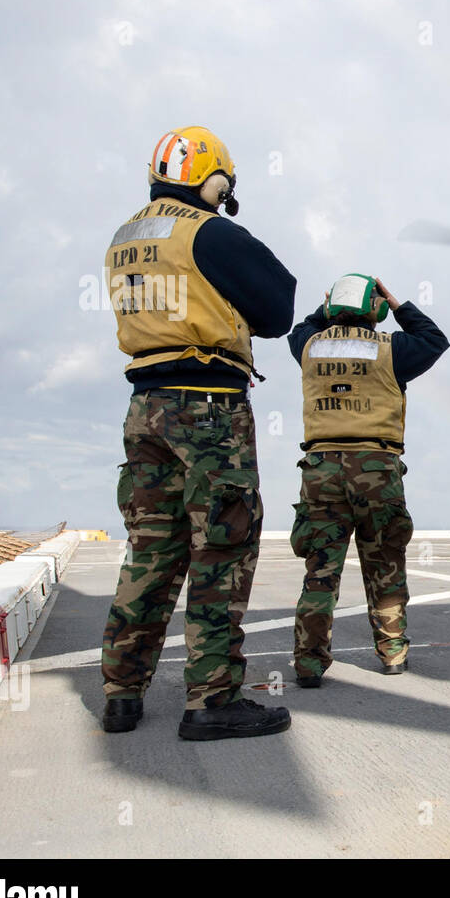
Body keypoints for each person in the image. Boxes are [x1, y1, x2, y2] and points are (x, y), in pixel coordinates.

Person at [101, 125, 295, 740]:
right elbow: (278, 309)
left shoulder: (124, 238)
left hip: (145, 407)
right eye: (225, 182)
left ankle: (121, 692)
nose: (225, 192)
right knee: (221, 549)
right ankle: (211, 700)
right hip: (207, 409)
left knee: (151, 551)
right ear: (209, 176)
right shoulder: (208, 231)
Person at [287, 273, 448, 683]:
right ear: (374, 309)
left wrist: (324, 310)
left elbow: (303, 325)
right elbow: (434, 338)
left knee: (320, 571)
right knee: (385, 565)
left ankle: (308, 663)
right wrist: (397, 304)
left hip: (320, 469)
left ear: (330, 309)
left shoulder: (308, 345)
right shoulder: (392, 349)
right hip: (376, 466)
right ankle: (392, 653)